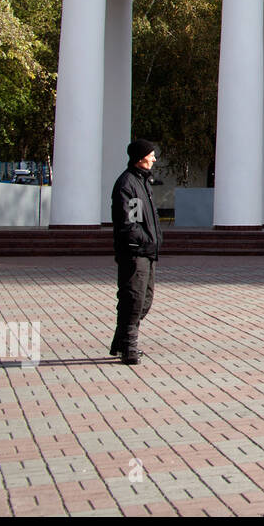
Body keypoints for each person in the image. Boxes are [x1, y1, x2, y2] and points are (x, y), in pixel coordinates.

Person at [109, 139, 163, 364]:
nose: (154, 158)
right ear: (141, 157)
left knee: (145, 299)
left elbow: (142, 217)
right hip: (135, 253)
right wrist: (145, 241)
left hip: (146, 251)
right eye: (151, 155)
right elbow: (130, 223)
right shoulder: (128, 184)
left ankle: (121, 343)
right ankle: (129, 348)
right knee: (134, 299)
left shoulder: (142, 182)